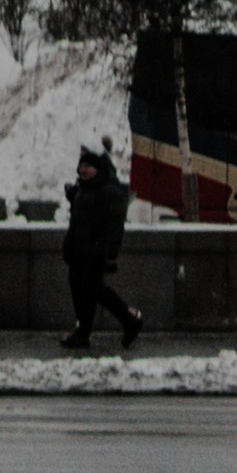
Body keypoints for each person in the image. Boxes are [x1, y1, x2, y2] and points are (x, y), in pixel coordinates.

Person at [62, 143, 144, 356]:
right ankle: (129, 321)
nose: (85, 170)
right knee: (89, 290)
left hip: (94, 252)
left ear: (98, 169)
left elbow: (114, 226)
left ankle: (83, 333)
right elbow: (79, 221)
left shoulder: (108, 191)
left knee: (89, 292)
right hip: (78, 251)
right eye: (82, 166)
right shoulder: (82, 189)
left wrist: (107, 253)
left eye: (89, 167)